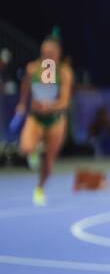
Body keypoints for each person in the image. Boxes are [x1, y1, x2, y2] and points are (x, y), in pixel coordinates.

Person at [16, 35, 74, 206]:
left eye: (51, 52)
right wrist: (21, 103)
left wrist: (51, 106)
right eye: (45, 52)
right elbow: (25, 88)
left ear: (58, 53)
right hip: (36, 117)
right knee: (26, 147)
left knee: (48, 162)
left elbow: (64, 102)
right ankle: (35, 150)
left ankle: (39, 189)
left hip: (55, 120)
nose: (48, 55)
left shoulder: (64, 72)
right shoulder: (33, 69)